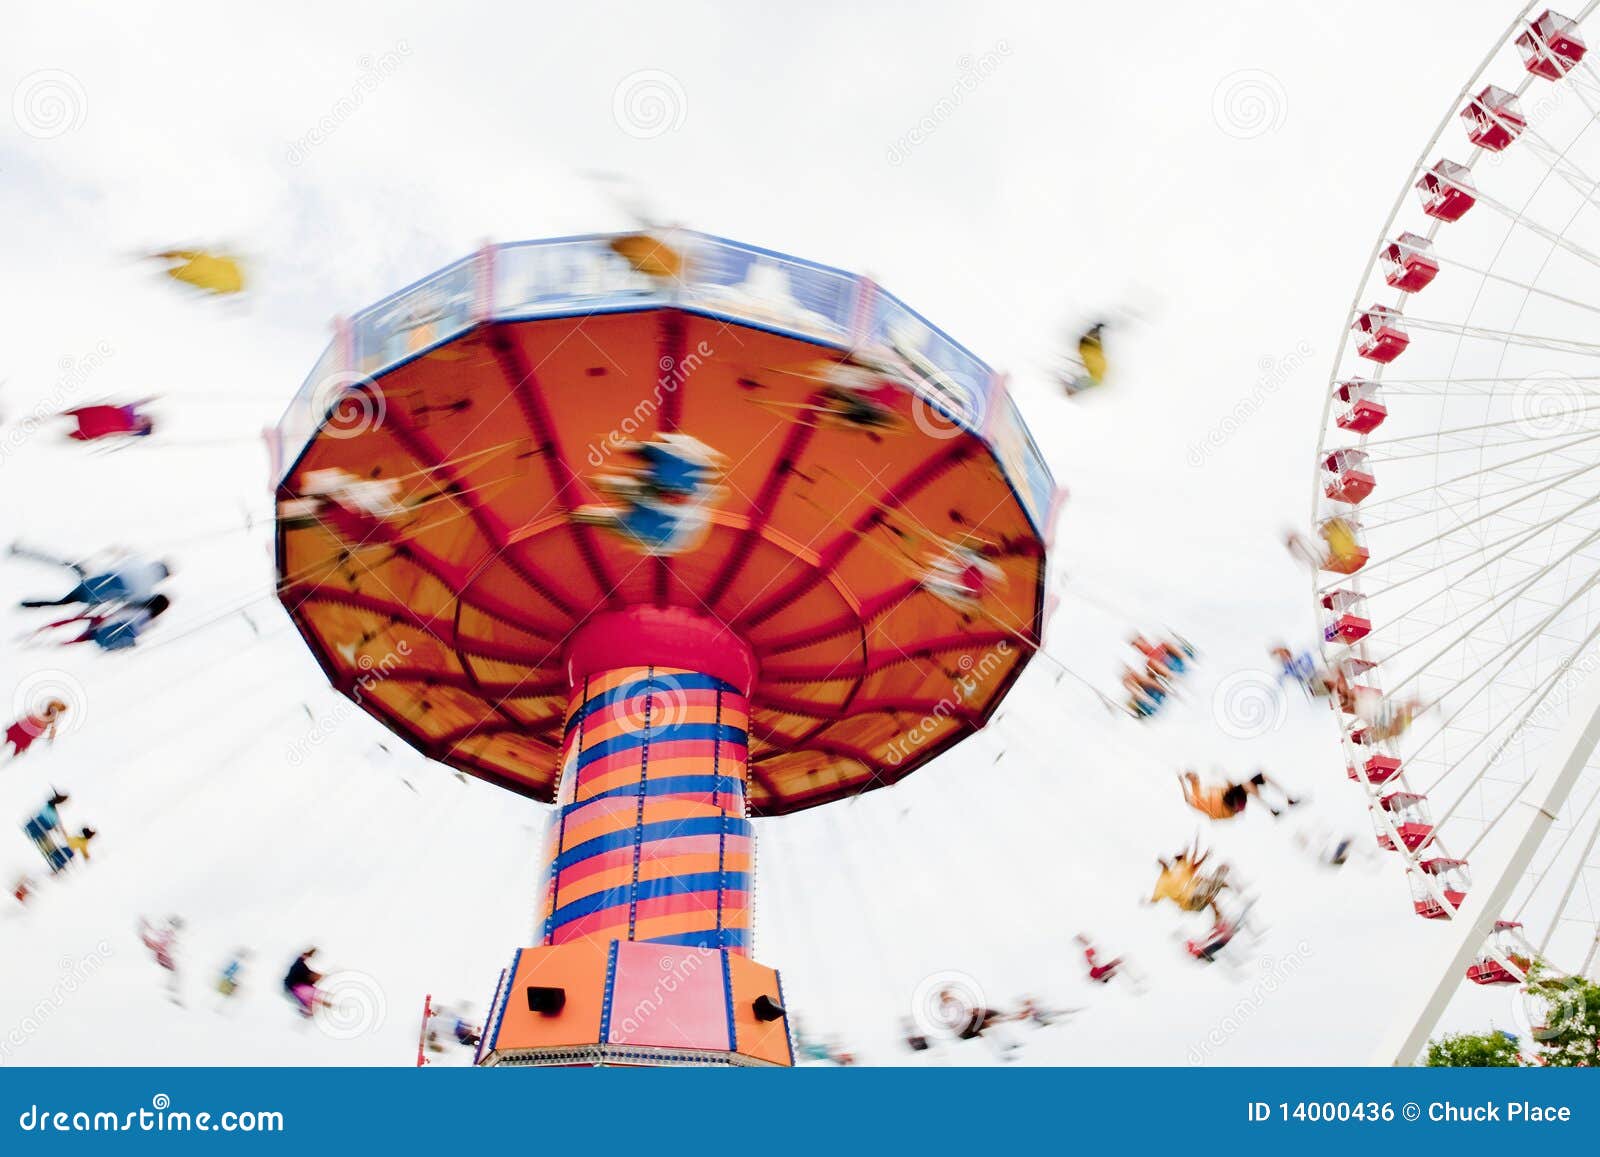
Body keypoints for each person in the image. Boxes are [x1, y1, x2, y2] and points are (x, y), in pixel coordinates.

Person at [19, 553, 170, 609]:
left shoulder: (138, 561)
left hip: (93, 580)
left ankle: (26, 552)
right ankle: (29, 604)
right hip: (94, 596)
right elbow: (130, 603)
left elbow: (121, 561)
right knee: (63, 602)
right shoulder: (145, 592)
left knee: (71, 565)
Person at [30, 594, 171, 652]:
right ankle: (46, 644)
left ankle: (43, 630)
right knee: (77, 638)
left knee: (75, 621)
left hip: (104, 623)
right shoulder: (151, 622)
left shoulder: (139, 608)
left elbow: (120, 613)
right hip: (107, 636)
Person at [1180, 768, 1299, 821]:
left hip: (1235, 801)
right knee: (1244, 784)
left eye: (1195, 775)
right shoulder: (1196, 797)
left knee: (1261, 775)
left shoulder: (1210, 787)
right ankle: (1272, 809)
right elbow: (1187, 800)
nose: (1196, 777)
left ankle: (1289, 798)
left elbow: (1232, 786)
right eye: (1192, 777)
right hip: (1227, 806)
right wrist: (1181, 782)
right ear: (1189, 780)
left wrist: (1224, 775)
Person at [22, 791, 73, 873]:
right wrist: (62, 833)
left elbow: (58, 827)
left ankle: (56, 863)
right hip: (40, 832)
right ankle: (57, 864)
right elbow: (59, 828)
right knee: (52, 850)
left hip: (35, 829)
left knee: (51, 849)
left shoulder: (48, 808)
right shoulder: (53, 813)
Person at [138, 915, 183, 1003]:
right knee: (176, 972)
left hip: (162, 956)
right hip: (162, 956)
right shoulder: (166, 935)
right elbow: (157, 942)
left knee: (176, 972)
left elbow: (154, 933)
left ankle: (170, 988)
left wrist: (146, 925)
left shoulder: (167, 934)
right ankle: (170, 988)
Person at [60, 402, 155, 442]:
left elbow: (114, 433)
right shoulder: (129, 412)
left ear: (139, 428)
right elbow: (136, 404)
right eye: (143, 416)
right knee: (95, 412)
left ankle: (68, 433)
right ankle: (65, 415)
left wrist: (101, 437)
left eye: (143, 420)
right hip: (105, 413)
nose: (140, 416)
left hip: (106, 422)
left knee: (97, 425)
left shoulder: (129, 429)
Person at [283, 948, 324, 1017]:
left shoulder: (303, 970)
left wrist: (309, 953)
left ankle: (309, 1008)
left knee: (313, 993)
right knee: (311, 994)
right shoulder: (301, 970)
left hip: (295, 985)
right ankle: (308, 1009)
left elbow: (301, 959)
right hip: (292, 986)